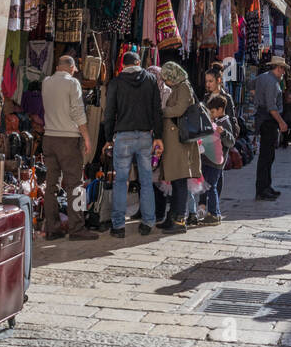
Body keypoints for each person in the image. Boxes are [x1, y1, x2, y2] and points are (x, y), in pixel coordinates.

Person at [103, 49, 164, 239]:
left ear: (124, 64)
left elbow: (109, 112)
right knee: (146, 181)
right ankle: (148, 222)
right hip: (145, 136)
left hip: (123, 137)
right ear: (138, 62)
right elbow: (156, 110)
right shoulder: (151, 80)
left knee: (121, 181)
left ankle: (119, 226)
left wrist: (107, 138)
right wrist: (158, 136)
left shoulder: (116, 83)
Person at [41, 54, 91, 240]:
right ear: (71, 68)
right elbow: (78, 112)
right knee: (75, 185)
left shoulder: (46, 82)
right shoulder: (72, 83)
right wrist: (86, 137)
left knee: (51, 185)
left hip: (49, 137)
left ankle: (52, 228)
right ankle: (77, 228)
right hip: (68, 139)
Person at [157, 60, 201, 233]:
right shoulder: (179, 87)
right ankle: (173, 216)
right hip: (175, 142)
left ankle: (180, 220)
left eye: (167, 78)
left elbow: (179, 109)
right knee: (175, 181)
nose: (165, 81)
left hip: (180, 143)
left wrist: (161, 112)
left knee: (180, 180)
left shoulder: (183, 87)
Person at [252, 55, 288, 200]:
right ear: (278, 68)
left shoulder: (262, 77)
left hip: (263, 118)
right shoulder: (273, 82)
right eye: (283, 69)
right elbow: (272, 107)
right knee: (267, 156)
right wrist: (281, 122)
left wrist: (257, 99)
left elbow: (250, 85)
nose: (284, 72)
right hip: (269, 120)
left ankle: (266, 186)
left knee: (267, 156)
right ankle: (262, 190)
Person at [200, 92, 235, 224]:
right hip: (208, 159)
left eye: (213, 112)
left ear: (220, 110)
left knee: (211, 186)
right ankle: (213, 212)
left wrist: (224, 133)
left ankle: (214, 214)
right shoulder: (213, 121)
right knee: (209, 185)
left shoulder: (225, 122)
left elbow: (231, 142)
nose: (211, 114)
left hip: (216, 161)